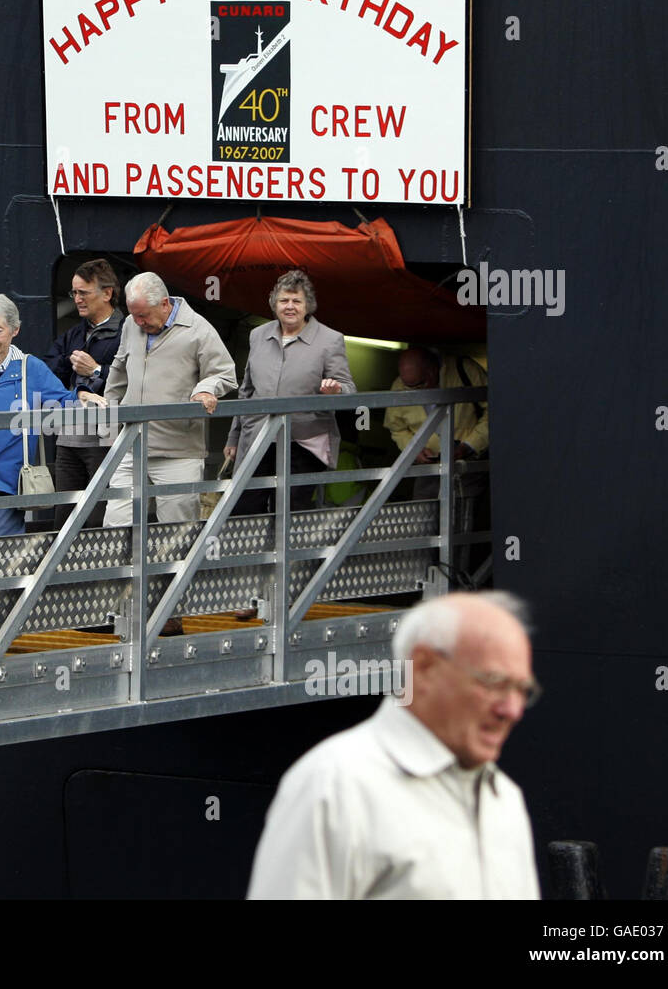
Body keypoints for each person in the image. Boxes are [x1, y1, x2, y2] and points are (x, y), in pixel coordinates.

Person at [247, 591, 541, 900]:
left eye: (522, 690)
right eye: (494, 682)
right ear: (425, 668)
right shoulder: (333, 786)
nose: (512, 709)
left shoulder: (505, 800)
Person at [0, 294, 104, 539]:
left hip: (9, 482)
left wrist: (81, 395)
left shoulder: (31, 368)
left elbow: (60, 399)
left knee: (3, 561)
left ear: (15, 330)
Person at [101, 272, 237, 527]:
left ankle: (170, 569)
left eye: (144, 315)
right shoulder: (131, 324)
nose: (139, 322)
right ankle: (122, 568)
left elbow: (225, 372)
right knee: (115, 524)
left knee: (176, 531)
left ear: (165, 304)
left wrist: (206, 388)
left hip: (178, 450)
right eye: (134, 314)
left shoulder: (198, 329)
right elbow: (118, 372)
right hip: (131, 443)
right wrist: (108, 428)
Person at [225, 270, 356, 513]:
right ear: (274, 303)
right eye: (284, 300)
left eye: (297, 301)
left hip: (303, 443)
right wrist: (234, 437)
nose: (290, 307)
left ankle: (286, 553)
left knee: (289, 511)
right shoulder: (258, 335)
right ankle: (252, 553)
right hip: (257, 439)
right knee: (243, 508)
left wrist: (335, 390)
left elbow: (349, 390)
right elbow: (247, 392)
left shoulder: (330, 340)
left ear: (309, 306)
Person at [43, 258, 123, 530]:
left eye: (83, 293)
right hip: (68, 439)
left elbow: (134, 380)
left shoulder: (128, 332)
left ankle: (100, 574)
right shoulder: (74, 334)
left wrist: (97, 369)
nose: (77, 299)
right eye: (73, 293)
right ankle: (63, 571)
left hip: (106, 439)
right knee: (64, 518)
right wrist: (70, 363)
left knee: (99, 518)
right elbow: (49, 374)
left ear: (107, 293)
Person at [384, 346, 489, 499]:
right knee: (422, 518)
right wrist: (414, 450)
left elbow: (495, 412)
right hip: (427, 470)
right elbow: (397, 429)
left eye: (420, 385)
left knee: (462, 517)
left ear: (433, 370)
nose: (416, 391)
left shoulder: (465, 370)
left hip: (467, 466)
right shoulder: (400, 386)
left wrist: (470, 445)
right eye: (409, 387)